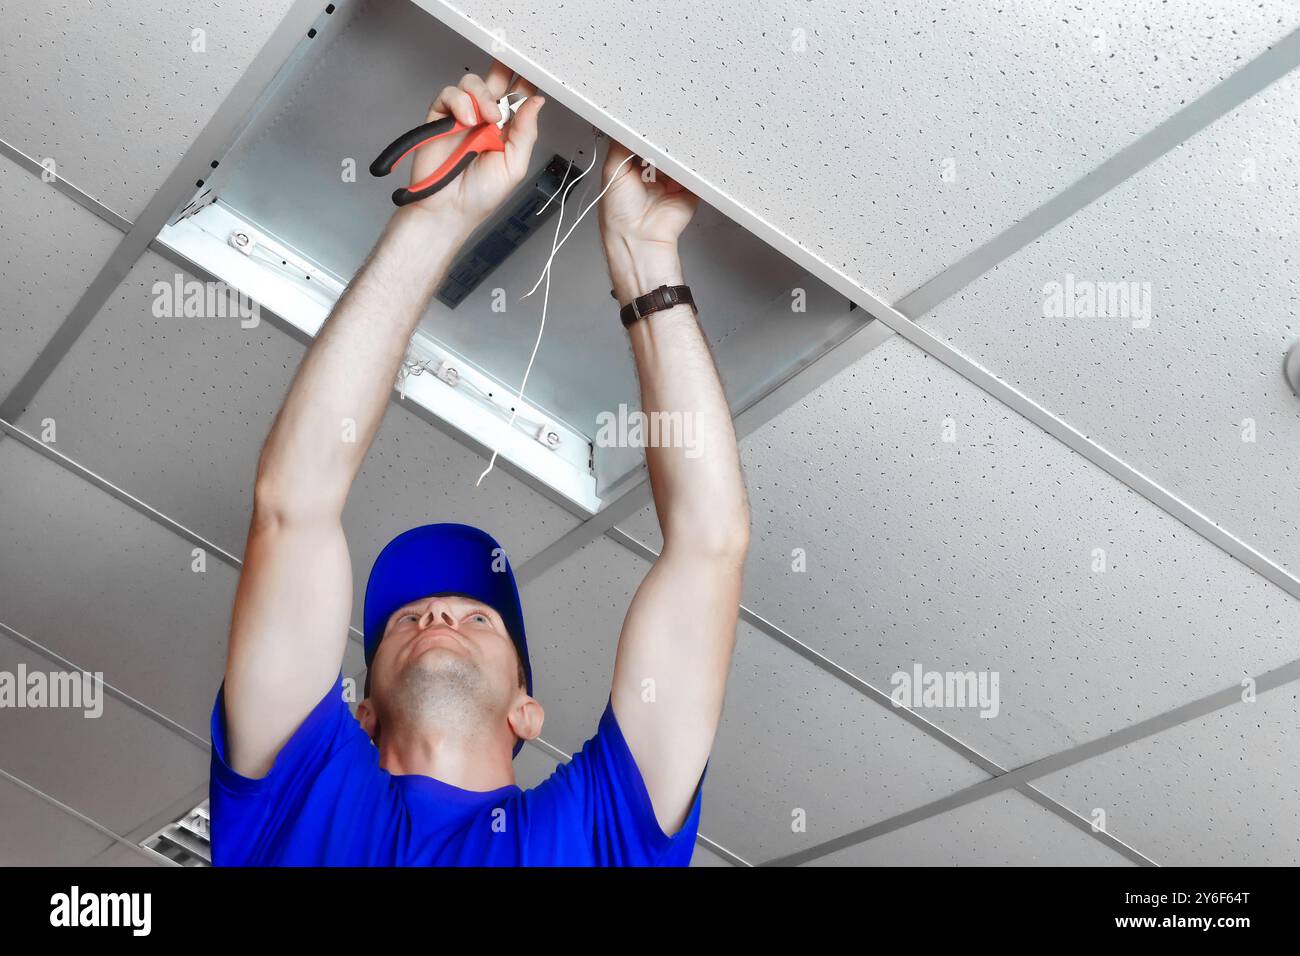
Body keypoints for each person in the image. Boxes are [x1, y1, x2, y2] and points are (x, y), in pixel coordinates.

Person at [210, 60, 750, 865]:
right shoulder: (301, 793)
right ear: (359, 714)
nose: (434, 619)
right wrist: (432, 219)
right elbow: (292, 504)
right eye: (414, 620)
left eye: (471, 617)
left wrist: (644, 254)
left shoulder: (589, 829)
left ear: (525, 713)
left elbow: (711, 546)